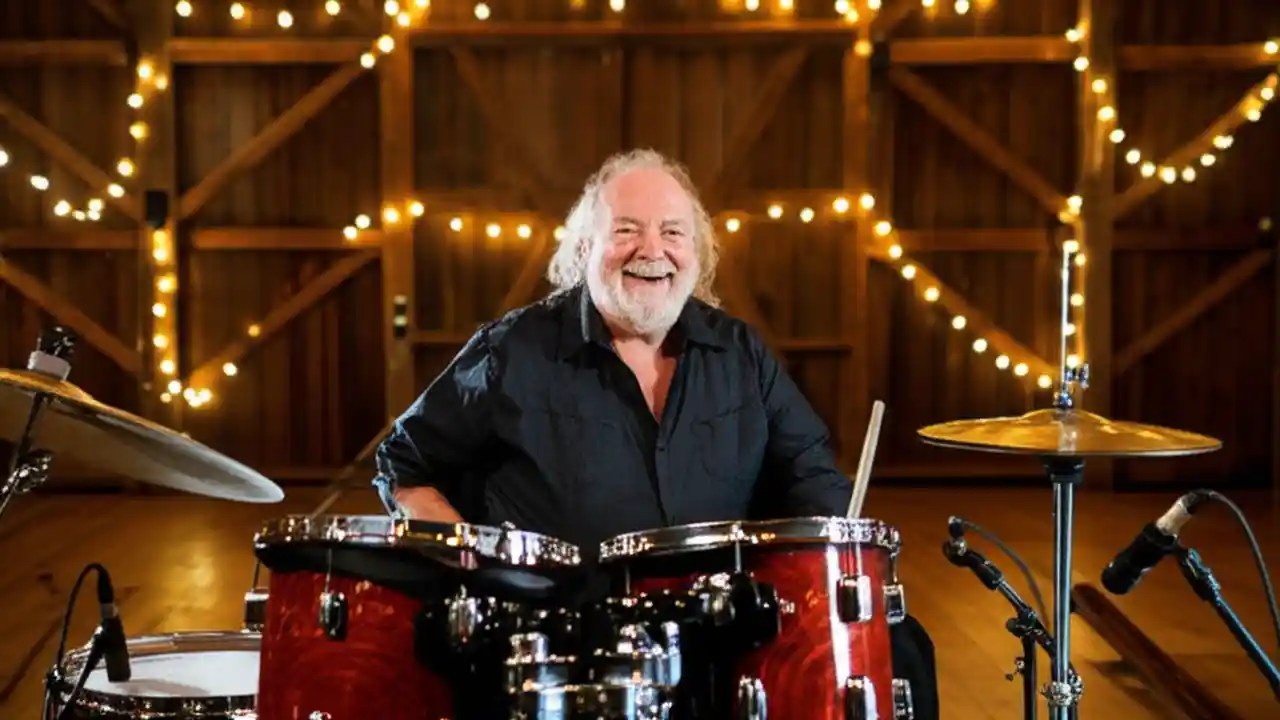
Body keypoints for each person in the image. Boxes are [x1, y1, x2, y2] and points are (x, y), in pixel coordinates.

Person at [372, 148, 939, 719]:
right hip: (562, 645)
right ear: (585, 248)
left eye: (673, 232)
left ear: (697, 253)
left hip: (720, 634)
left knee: (901, 648)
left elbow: (811, 477)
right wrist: (471, 569)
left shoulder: (741, 353)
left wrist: (830, 575)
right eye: (626, 230)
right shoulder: (511, 351)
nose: (652, 250)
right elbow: (406, 465)